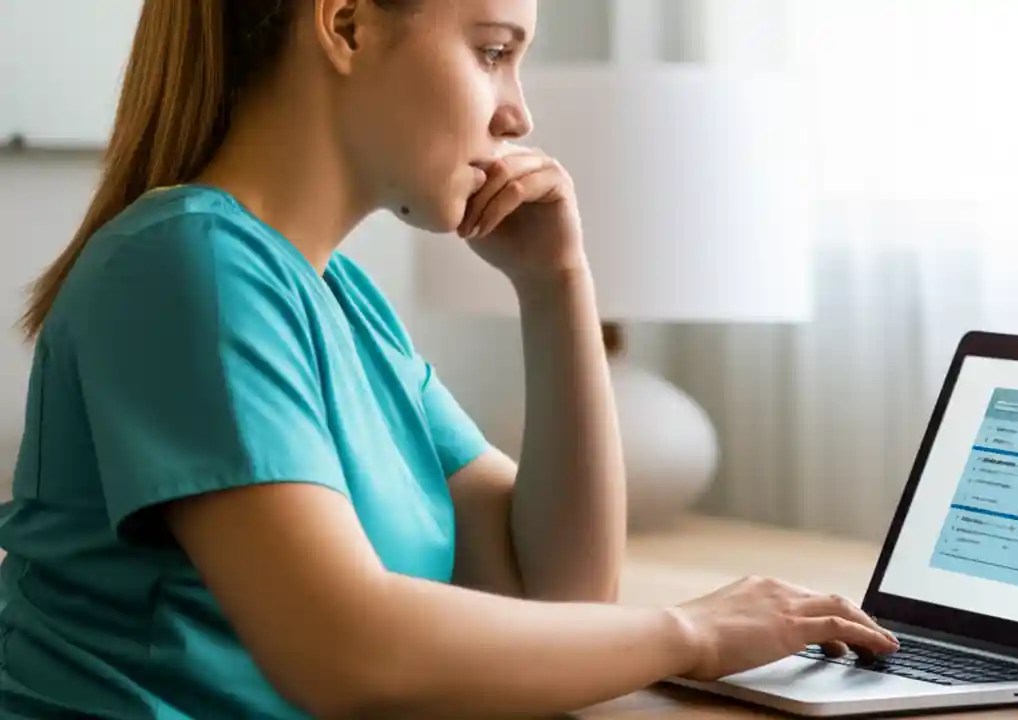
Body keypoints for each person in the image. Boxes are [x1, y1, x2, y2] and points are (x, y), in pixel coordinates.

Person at [0, 1, 898, 718]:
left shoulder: (342, 301)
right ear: (345, 25)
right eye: (492, 50)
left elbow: (564, 599)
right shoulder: (188, 264)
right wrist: (692, 633)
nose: (518, 111)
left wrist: (557, 286)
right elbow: (344, 654)